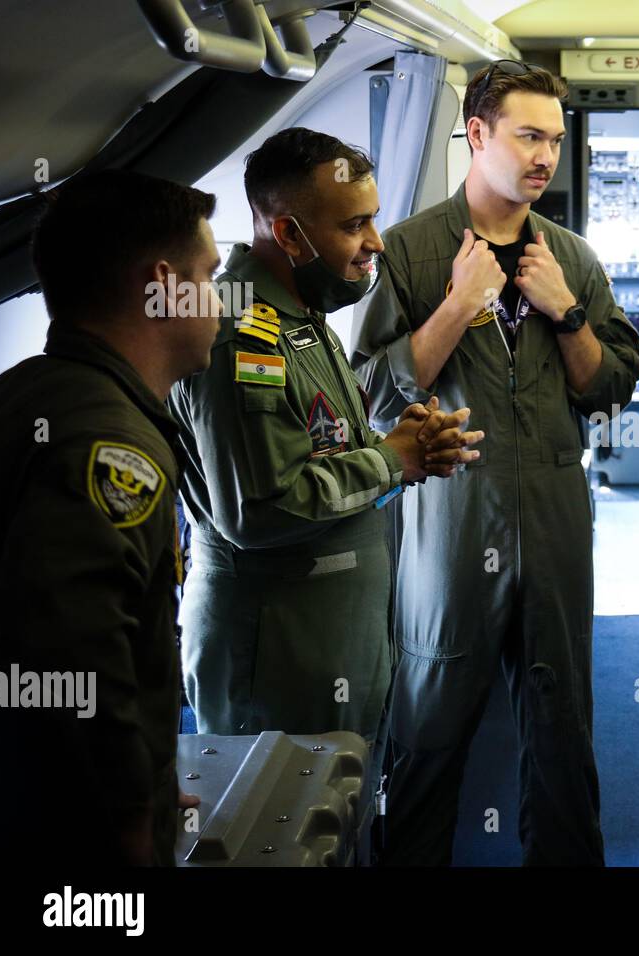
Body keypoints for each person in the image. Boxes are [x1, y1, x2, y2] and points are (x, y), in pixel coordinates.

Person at [352, 60, 639, 866]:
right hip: (450, 523)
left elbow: (613, 387)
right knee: (429, 730)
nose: (545, 153)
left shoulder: (573, 259)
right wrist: (457, 304)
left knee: (563, 738)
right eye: (528, 135)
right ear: (478, 135)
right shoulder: (410, 253)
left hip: (554, 518)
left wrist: (568, 311)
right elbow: (369, 399)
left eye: (555, 137)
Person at [168, 128, 482, 744]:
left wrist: (406, 451)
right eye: (353, 225)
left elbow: (331, 456)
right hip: (279, 653)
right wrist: (392, 462)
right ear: (288, 234)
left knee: (341, 829)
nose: (375, 243)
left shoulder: (304, 322)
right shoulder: (242, 337)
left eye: (373, 220)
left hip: (334, 641)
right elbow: (261, 508)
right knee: (278, 834)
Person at [0, 170, 222, 864]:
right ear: (164, 285)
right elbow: (75, 660)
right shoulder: (110, 447)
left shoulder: (26, 393)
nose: (220, 302)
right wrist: (126, 820)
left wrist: (146, 786)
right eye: (208, 277)